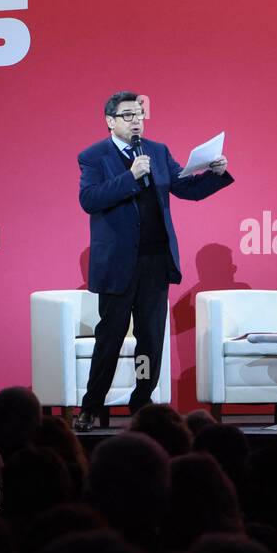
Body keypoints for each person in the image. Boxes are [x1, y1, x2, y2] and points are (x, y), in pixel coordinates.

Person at [74, 92, 234, 431]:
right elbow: (89, 199)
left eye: (139, 114)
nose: (136, 120)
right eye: (128, 115)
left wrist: (215, 173)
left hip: (155, 261)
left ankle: (141, 403)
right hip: (118, 264)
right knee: (110, 336)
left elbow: (186, 188)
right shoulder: (93, 156)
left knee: (149, 338)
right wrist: (130, 176)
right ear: (110, 121)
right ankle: (90, 406)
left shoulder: (157, 151)